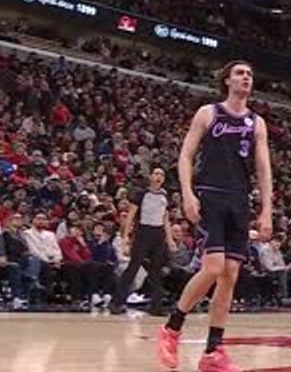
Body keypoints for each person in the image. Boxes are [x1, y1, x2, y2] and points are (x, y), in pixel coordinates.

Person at [158, 61, 274, 372]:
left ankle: (213, 351)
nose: (246, 77)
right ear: (226, 80)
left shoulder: (256, 122)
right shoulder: (208, 113)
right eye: (239, 73)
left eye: (250, 74)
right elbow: (185, 155)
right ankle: (172, 328)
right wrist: (187, 193)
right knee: (213, 267)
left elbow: (263, 168)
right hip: (210, 193)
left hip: (239, 199)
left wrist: (267, 210)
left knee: (230, 275)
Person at [112, 167, 174, 315]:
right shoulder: (141, 194)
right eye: (156, 173)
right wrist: (126, 236)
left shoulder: (165, 196)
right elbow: (131, 216)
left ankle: (156, 306)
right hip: (143, 233)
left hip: (158, 234)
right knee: (133, 268)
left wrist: (170, 238)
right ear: (151, 177)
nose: (159, 176)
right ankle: (117, 302)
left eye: (161, 174)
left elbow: (165, 218)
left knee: (156, 271)